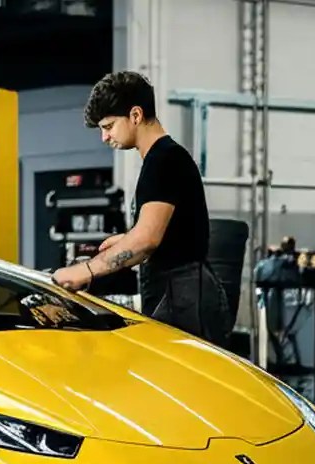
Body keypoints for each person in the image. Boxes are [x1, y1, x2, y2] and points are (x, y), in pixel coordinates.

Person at [51, 70, 231, 346]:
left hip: (185, 300)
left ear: (135, 115)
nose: (104, 137)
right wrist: (126, 240)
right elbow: (166, 236)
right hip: (176, 293)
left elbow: (147, 239)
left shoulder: (165, 160)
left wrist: (85, 270)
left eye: (108, 126)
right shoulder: (161, 160)